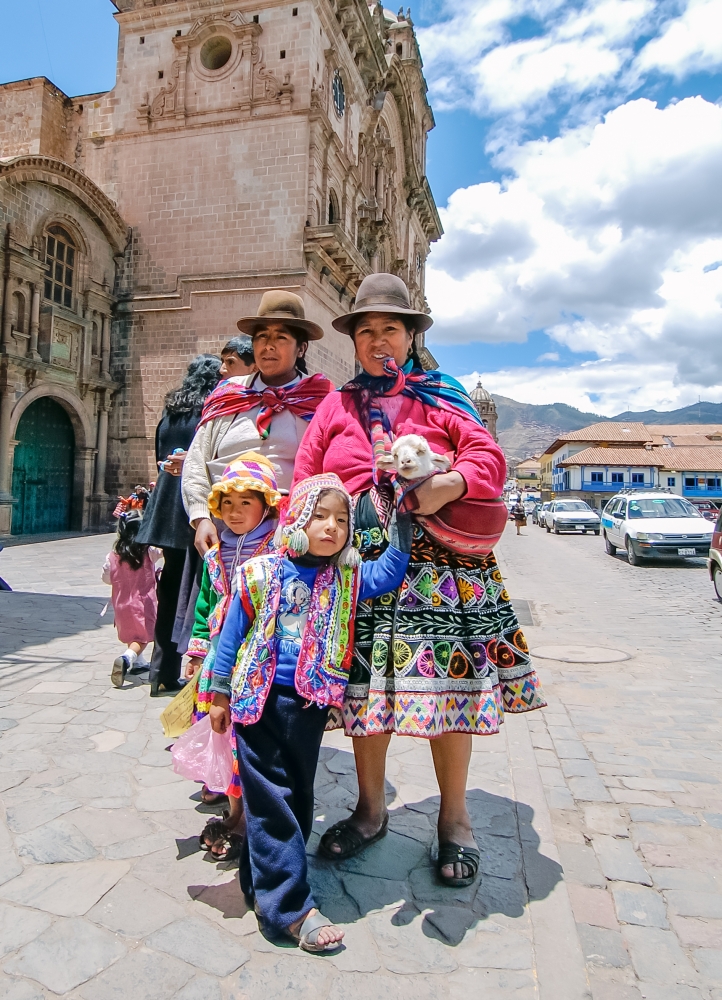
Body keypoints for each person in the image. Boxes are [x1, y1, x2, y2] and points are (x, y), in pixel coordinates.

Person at [293, 272, 546, 887]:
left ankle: (454, 821)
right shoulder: (339, 403)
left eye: (390, 329)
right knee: (362, 690)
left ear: (410, 337)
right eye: (365, 331)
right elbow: (305, 474)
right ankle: (371, 809)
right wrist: (301, 536)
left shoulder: (442, 393)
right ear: (352, 341)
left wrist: (447, 484)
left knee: (451, 692)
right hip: (360, 565)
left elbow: (488, 458)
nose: (377, 339)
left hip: (441, 568)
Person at [209, 474, 412, 952]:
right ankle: (292, 911)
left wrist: (401, 519)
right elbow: (230, 636)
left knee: (296, 797)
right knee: (274, 800)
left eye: (341, 520)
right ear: (297, 519)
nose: (332, 527)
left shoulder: (344, 577)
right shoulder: (260, 573)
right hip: (257, 702)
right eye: (320, 516)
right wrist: (218, 693)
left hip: (308, 707)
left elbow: (390, 570)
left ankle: (261, 887)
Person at [181, 290, 334, 557]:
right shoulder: (228, 396)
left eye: (281, 338)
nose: (269, 346)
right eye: (262, 337)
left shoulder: (322, 400)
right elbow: (196, 462)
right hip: (224, 531)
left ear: (301, 348)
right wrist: (201, 517)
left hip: (292, 534)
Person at [185, 453, 281, 857]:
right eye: (228, 504)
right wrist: (197, 650)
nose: (236, 512)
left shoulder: (277, 552)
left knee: (249, 740)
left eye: (246, 503)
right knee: (224, 737)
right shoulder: (215, 554)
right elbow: (206, 603)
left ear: (266, 506)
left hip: (256, 663)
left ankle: (247, 817)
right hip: (218, 666)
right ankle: (234, 805)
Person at [136, 354, 222, 697]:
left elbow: (160, 453)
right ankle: (202, 667)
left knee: (169, 589)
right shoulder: (210, 412)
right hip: (195, 507)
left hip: (166, 508)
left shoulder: (171, 413)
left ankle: (161, 671)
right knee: (203, 591)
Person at [102, 509, 163, 688]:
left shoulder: (112, 556)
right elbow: (163, 551)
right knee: (142, 637)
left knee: (131, 631)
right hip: (143, 603)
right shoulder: (148, 551)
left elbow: (106, 578)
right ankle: (127, 658)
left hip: (121, 603)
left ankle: (139, 662)